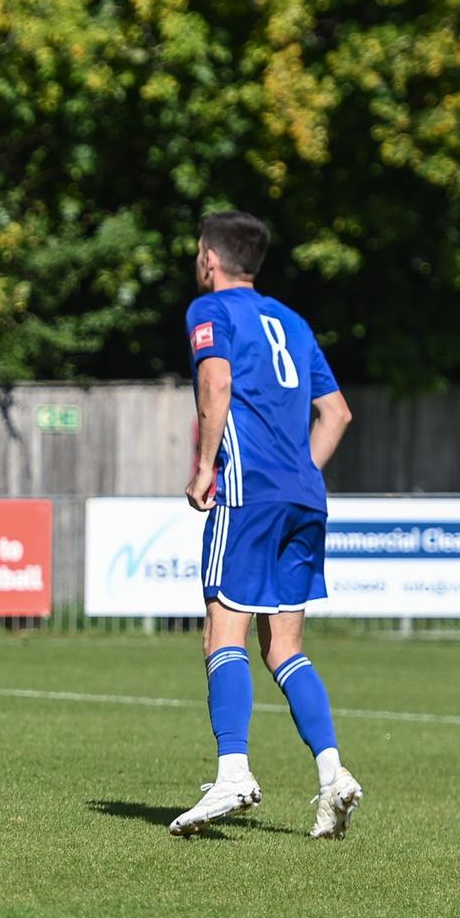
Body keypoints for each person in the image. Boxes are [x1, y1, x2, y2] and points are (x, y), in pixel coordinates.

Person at [167, 210, 363, 840]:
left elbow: (216, 383)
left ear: (209, 259)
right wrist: (299, 472)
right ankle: (333, 776)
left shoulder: (211, 313)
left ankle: (233, 773)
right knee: (284, 647)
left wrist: (204, 467)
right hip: (306, 495)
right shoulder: (294, 321)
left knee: (221, 636)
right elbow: (335, 414)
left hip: (247, 495)